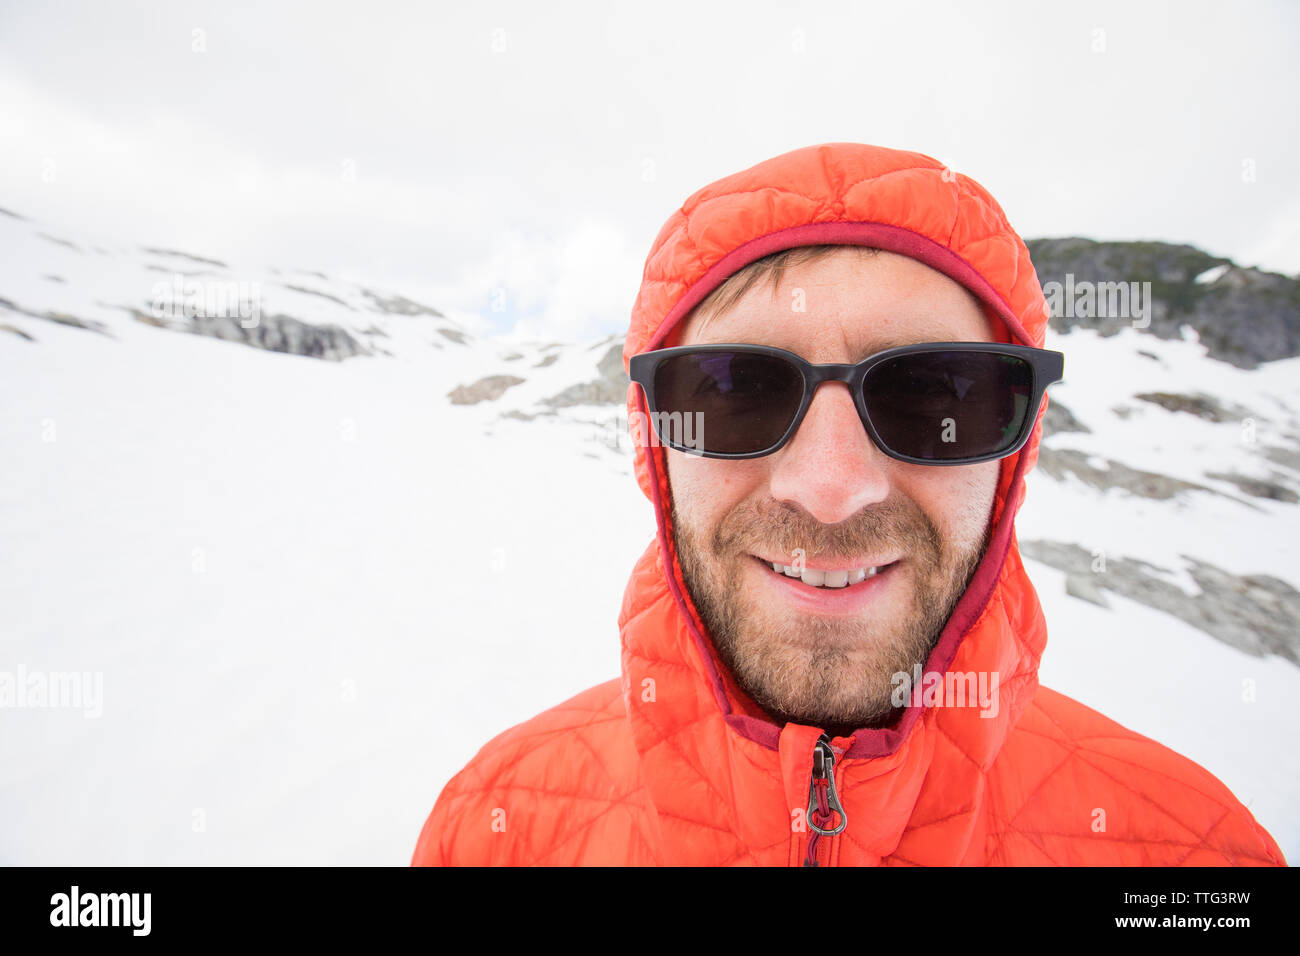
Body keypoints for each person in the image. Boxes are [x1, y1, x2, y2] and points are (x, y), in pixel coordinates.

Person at [411, 142, 1285, 866]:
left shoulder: (1193, 858)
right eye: (734, 390)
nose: (830, 489)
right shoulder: (493, 828)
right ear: (654, 443)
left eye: (935, 394)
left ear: (1014, 452)